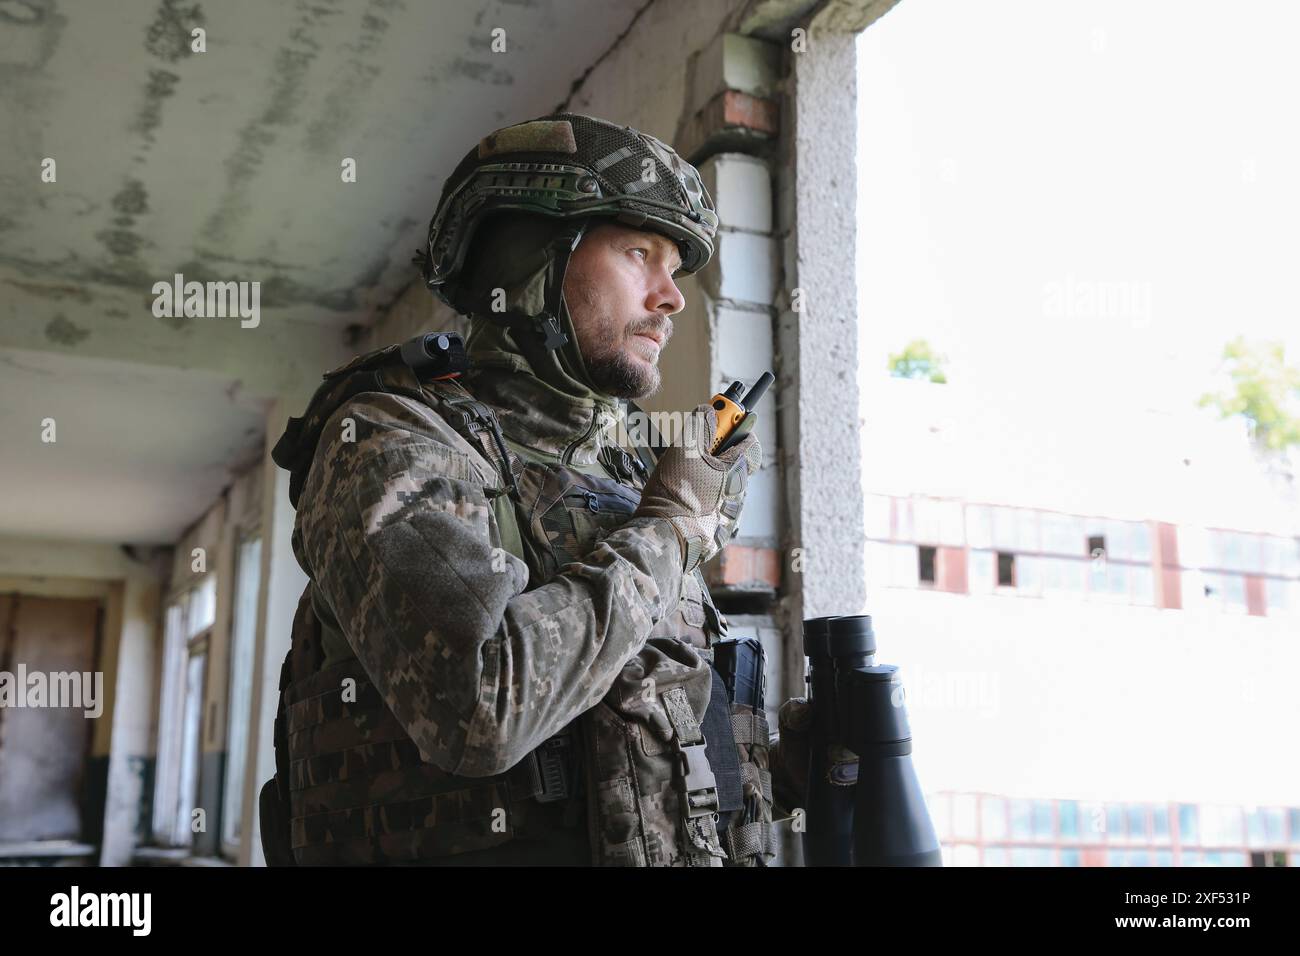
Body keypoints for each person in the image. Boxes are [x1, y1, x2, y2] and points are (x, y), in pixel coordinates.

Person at [262, 113, 809, 866]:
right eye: (639, 252)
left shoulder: (624, 478)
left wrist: (790, 772)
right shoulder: (392, 440)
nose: (671, 297)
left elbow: (644, 771)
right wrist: (675, 531)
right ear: (528, 263)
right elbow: (478, 712)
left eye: (676, 268)